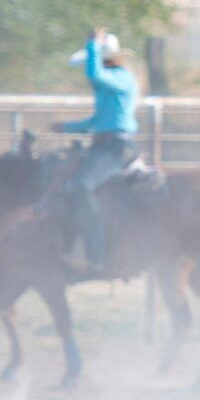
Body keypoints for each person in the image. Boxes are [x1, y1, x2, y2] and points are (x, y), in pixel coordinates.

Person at [52, 28, 140, 273]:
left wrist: (92, 44)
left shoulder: (121, 78)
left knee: (81, 185)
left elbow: (94, 73)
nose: (87, 73)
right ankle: (74, 244)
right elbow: (97, 121)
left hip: (115, 148)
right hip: (104, 146)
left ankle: (96, 254)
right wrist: (67, 127)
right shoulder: (110, 85)